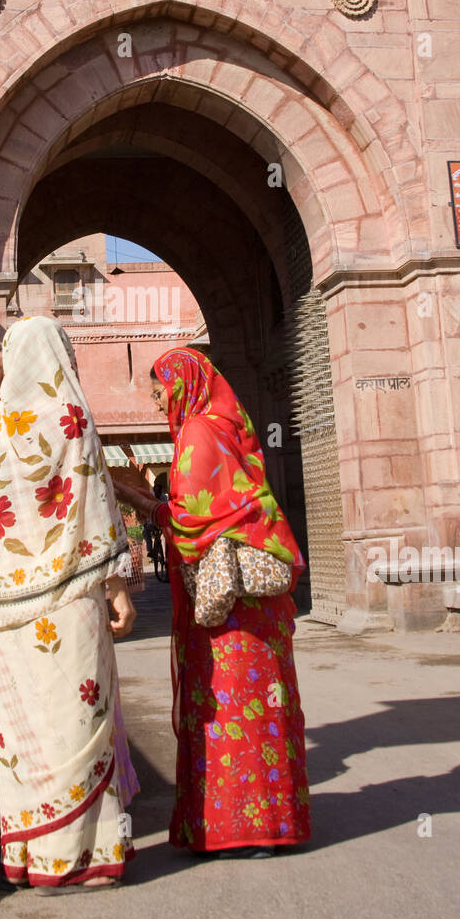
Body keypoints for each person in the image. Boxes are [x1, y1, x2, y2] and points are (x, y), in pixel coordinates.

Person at [0, 315, 138, 891]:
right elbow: (96, 508)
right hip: (74, 604)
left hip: (9, 615)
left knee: (27, 725)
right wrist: (118, 590)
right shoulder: (71, 419)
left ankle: (38, 859)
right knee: (80, 719)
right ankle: (89, 858)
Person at [119, 347, 311, 858]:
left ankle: (238, 829)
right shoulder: (227, 427)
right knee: (263, 708)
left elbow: (193, 520)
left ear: (183, 383)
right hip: (255, 603)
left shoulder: (199, 433)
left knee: (230, 709)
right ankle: (271, 823)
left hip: (227, 606)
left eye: (160, 386)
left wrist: (145, 505)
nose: (157, 397)